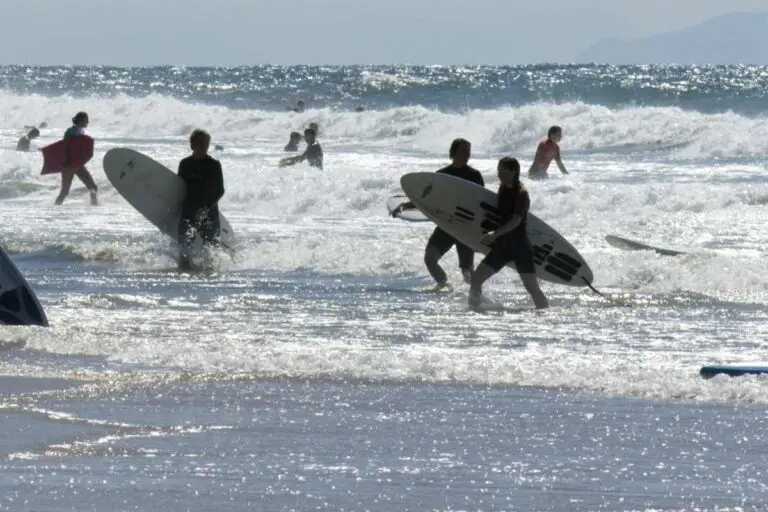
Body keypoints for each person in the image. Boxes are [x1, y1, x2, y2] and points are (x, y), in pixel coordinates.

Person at [390, 138, 484, 289]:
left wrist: (480, 231)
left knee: (467, 272)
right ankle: (444, 285)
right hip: (446, 224)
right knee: (430, 259)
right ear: (453, 153)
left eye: (468, 152)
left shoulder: (474, 176)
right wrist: (405, 206)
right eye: (463, 152)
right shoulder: (441, 176)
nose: (467, 155)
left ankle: (477, 296)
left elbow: (481, 203)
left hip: (464, 227)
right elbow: (426, 198)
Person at [469, 157, 548, 310]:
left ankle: (545, 315)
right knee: (476, 279)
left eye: (502, 172)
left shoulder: (521, 193)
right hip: (502, 247)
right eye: (498, 171)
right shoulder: (503, 188)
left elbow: (516, 221)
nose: (498, 175)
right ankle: (475, 310)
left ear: (513, 171)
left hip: (520, 248)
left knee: (532, 289)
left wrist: (495, 234)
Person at [177, 129, 225, 270]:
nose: (205, 146)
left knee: (210, 257)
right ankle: (185, 275)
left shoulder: (214, 165)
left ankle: (206, 280)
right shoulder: (185, 164)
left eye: (206, 144)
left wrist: (206, 207)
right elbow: (178, 188)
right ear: (192, 145)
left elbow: (219, 190)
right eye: (201, 143)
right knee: (184, 252)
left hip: (209, 213)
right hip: (189, 212)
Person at [55, 112, 99, 206]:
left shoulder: (81, 131)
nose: (88, 122)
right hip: (68, 164)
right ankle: (55, 208)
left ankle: (95, 208)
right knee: (65, 192)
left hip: (78, 164)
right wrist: (66, 162)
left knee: (93, 187)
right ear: (80, 120)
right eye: (86, 120)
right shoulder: (70, 131)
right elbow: (64, 146)